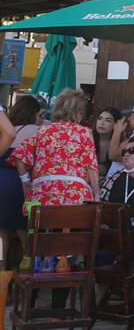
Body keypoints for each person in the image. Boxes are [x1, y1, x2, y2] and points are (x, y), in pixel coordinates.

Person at [14, 88, 100, 208]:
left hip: (42, 193)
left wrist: (26, 182)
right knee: (76, 224)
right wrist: (96, 194)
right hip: (75, 195)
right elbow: (91, 166)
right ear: (78, 112)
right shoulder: (84, 133)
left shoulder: (42, 130)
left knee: (39, 225)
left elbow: (19, 155)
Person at [0, 108, 26, 276]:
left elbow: (10, 133)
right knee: (19, 230)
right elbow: (9, 133)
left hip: (7, 177)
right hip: (14, 180)